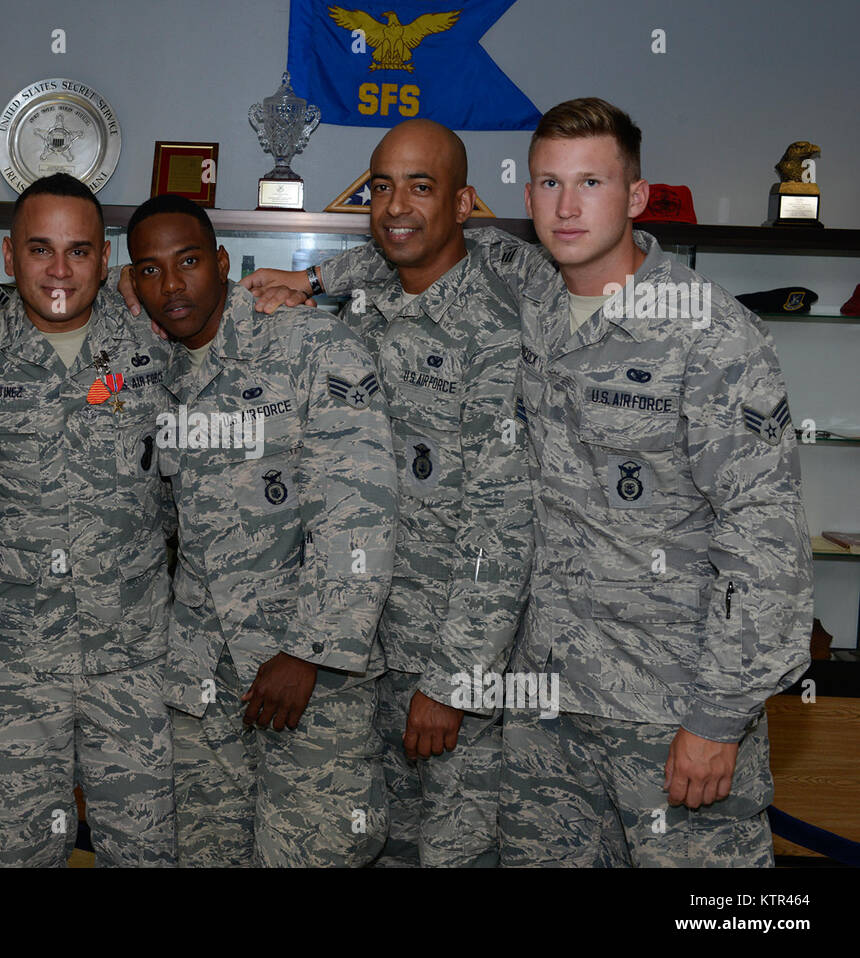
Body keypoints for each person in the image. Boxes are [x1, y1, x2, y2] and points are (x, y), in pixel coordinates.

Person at [261, 98, 813, 867]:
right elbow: (414, 244)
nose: (568, 206)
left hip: (668, 708)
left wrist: (719, 719)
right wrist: (309, 276)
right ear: (525, 201)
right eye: (549, 185)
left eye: (591, 183)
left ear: (638, 196)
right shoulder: (532, 292)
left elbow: (765, 540)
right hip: (544, 704)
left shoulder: (709, 332)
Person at [126, 194, 397, 866]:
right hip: (201, 680)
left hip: (308, 679)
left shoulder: (309, 343)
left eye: (188, 261)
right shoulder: (155, 372)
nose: (173, 284)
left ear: (222, 263)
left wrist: (309, 650)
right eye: (151, 271)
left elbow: (359, 507)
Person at [331, 119, 532, 866]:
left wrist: (452, 684)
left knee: (458, 855)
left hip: (454, 670)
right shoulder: (367, 298)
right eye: (381, 186)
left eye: (421, 186)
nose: (396, 205)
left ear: (464, 203)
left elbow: (502, 522)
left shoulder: (494, 327)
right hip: (364, 659)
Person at [0, 173, 176, 866]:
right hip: (12, 671)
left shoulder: (153, 340)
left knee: (146, 854)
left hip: (134, 666)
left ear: (106, 259)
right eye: (40, 249)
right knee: (14, 857)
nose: (60, 270)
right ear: (6, 257)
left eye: (79, 251)